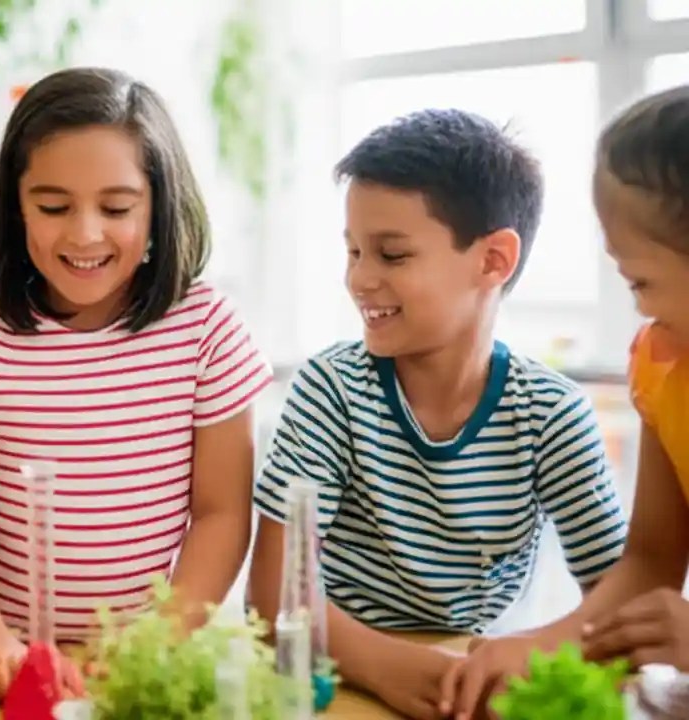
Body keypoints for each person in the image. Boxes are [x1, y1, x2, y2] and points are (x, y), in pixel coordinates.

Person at [249, 109, 628, 719]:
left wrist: (515, 659)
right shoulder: (330, 390)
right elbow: (270, 600)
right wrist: (389, 668)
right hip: (341, 678)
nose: (359, 279)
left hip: (475, 685)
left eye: (392, 255)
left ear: (493, 260)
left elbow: (615, 604)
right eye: (353, 251)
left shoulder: (552, 415)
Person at [0, 66, 272, 702]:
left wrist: (157, 644)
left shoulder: (206, 328)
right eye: (53, 207)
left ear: (159, 204)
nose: (84, 234)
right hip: (6, 658)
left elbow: (220, 514)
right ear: (16, 204)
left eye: (116, 207)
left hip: (148, 664)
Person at [443, 85, 689, 720]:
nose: (640, 312)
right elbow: (650, 564)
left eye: (642, 281)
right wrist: (542, 648)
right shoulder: (664, 370)